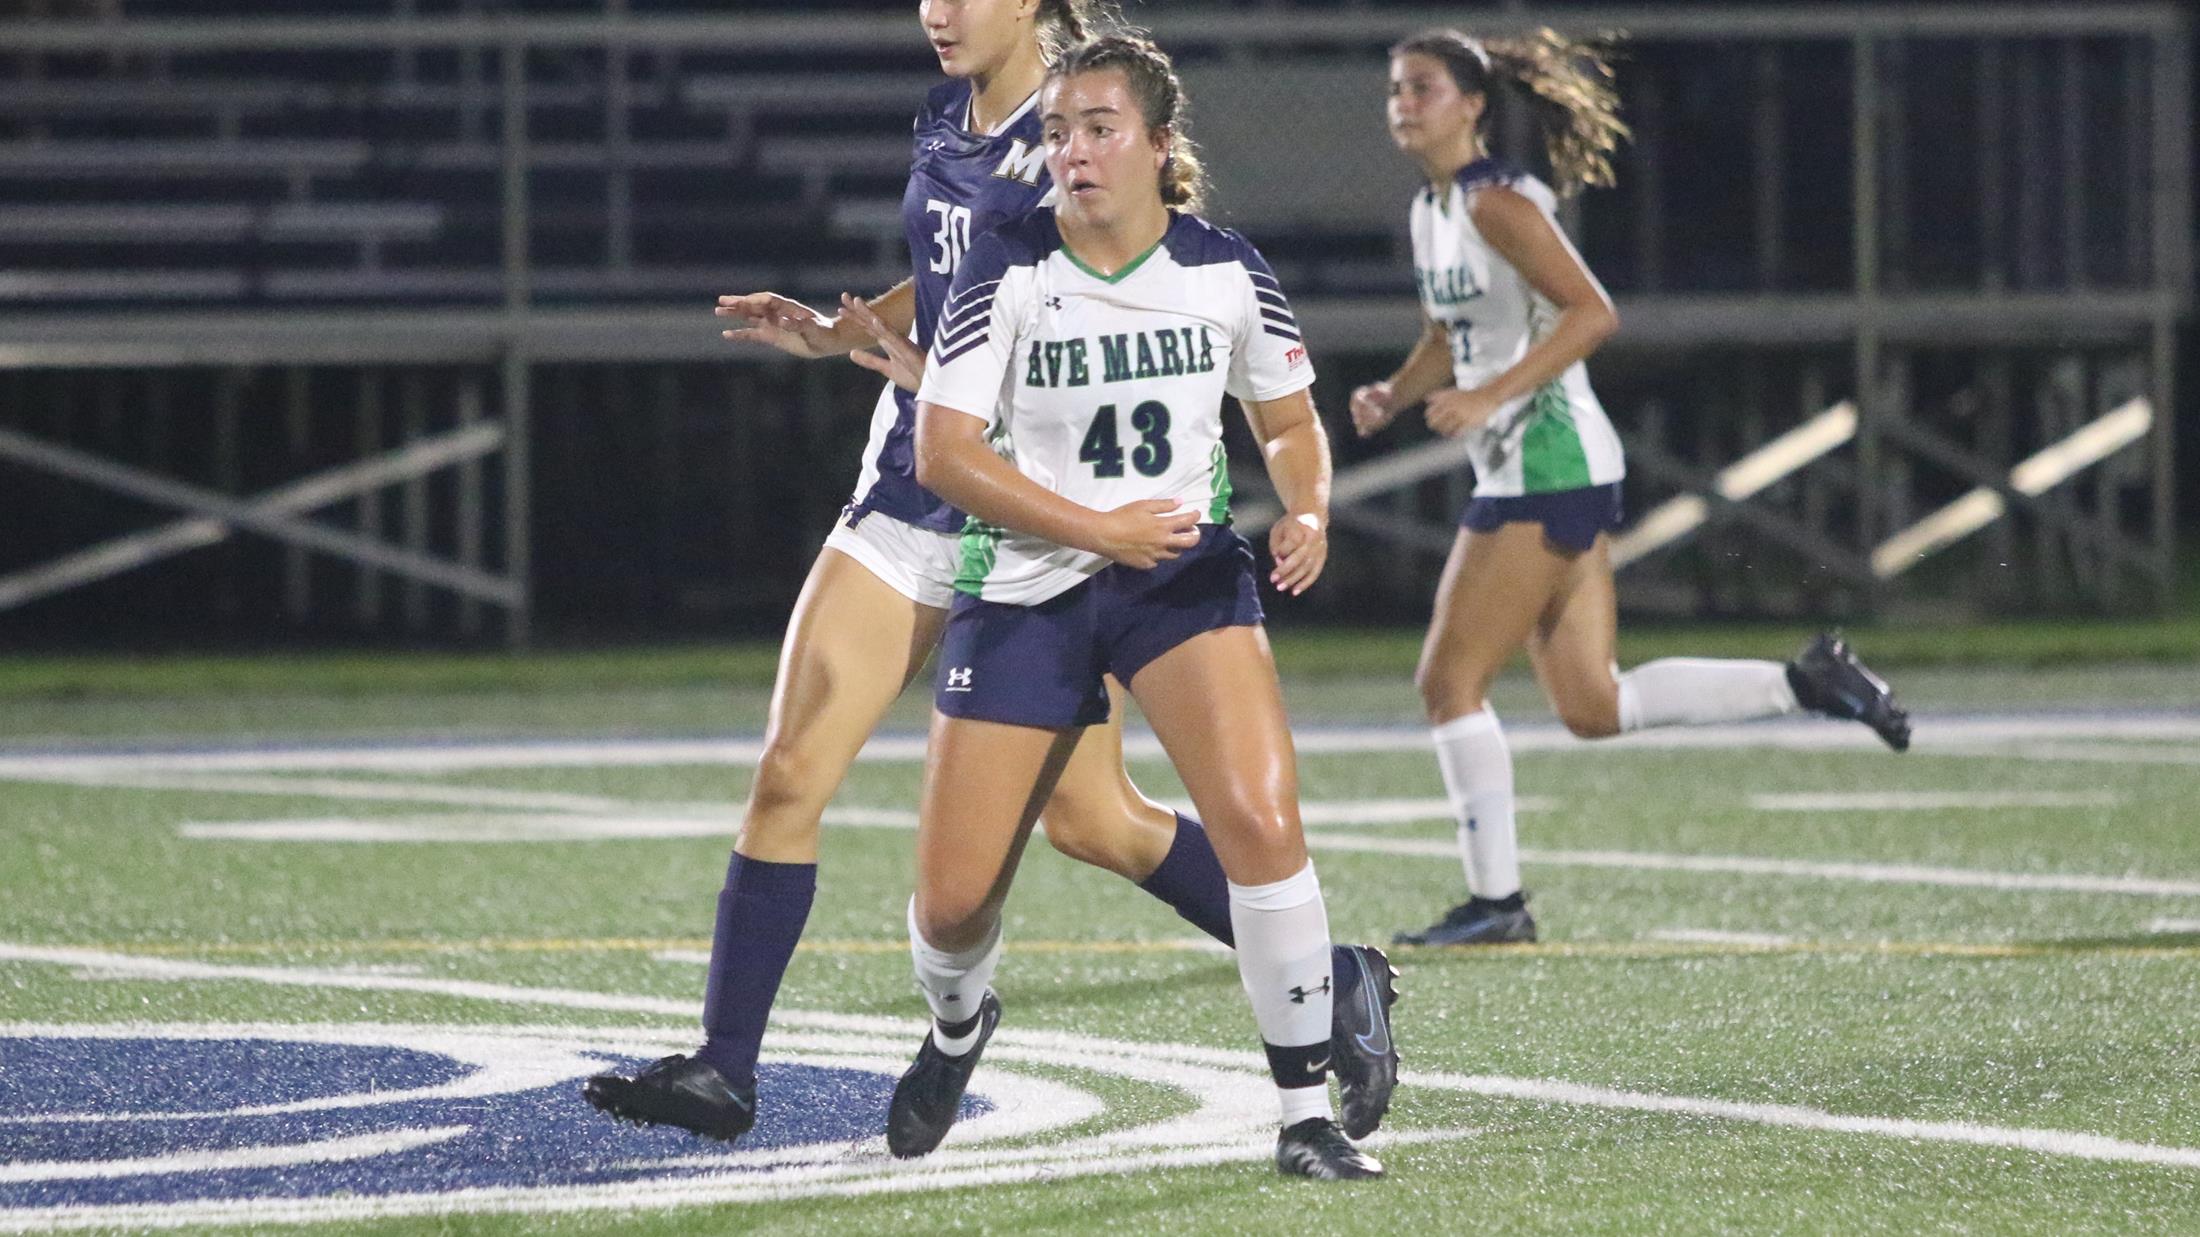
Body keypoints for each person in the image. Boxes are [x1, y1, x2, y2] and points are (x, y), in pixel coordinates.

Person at [581, 0, 1396, 1150]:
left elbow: (1107, 291)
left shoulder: (1080, 124)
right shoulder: (946, 116)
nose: (936, 9)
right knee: (790, 763)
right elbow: (953, 272)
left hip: (1041, 517)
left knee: (1095, 821)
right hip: (920, 481)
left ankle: (1326, 969)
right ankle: (724, 1066)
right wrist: (836, 333)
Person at [855, 32, 1388, 1181]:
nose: (1073, 151)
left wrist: (1308, 509)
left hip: (1176, 578)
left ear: (1157, 143)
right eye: (1054, 132)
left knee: (1260, 822)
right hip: (1028, 583)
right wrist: (1092, 528)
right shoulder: (1003, 264)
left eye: (1098, 128)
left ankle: (1304, 1113)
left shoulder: (1224, 268)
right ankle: (957, 1028)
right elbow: (944, 453)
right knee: (950, 907)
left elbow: (1289, 419)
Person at [1351, 29, 1912, 949]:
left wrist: (1489, 395)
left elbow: (1593, 312)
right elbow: (1451, 331)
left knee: (1448, 682)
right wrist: (1396, 392)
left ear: (1473, 105)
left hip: (1549, 460)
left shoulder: (1496, 204)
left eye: (1421, 88)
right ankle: (1805, 681)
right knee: (1592, 705)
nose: (1402, 104)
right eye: (1395, 90)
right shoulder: (1434, 209)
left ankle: (1497, 903)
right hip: (1533, 462)